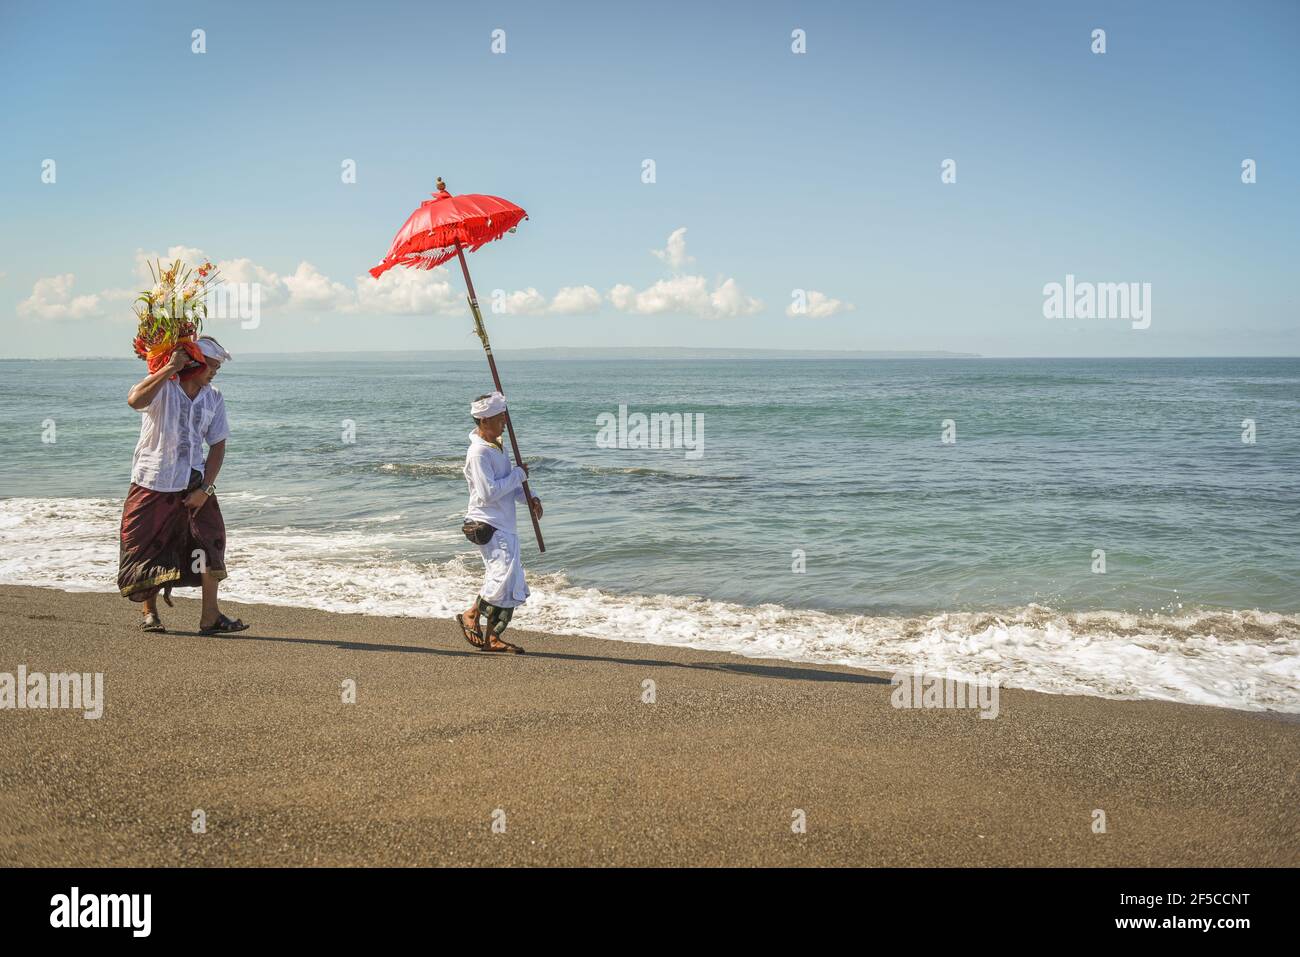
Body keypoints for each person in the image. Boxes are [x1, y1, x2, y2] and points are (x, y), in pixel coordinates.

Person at [117, 335, 249, 634]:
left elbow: (217, 445)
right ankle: (149, 612)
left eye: (217, 367)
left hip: (194, 481)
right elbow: (135, 400)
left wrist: (206, 489)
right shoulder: (163, 388)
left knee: (210, 542)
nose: (214, 372)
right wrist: (168, 368)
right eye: (210, 366)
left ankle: (210, 617)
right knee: (147, 545)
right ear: (193, 363)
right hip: (154, 480)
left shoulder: (213, 397)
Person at [456, 391, 542, 653]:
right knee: (501, 578)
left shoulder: (497, 448)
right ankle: (471, 614)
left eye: (504, 415)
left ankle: (493, 637)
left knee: (510, 581)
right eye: (498, 417)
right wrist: (518, 475)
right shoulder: (479, 453)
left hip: (505, 524)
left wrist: (531, 498)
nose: (505, 420)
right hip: (487, 524)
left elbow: (510, 486)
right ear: (483, 421)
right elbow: (488, 492)